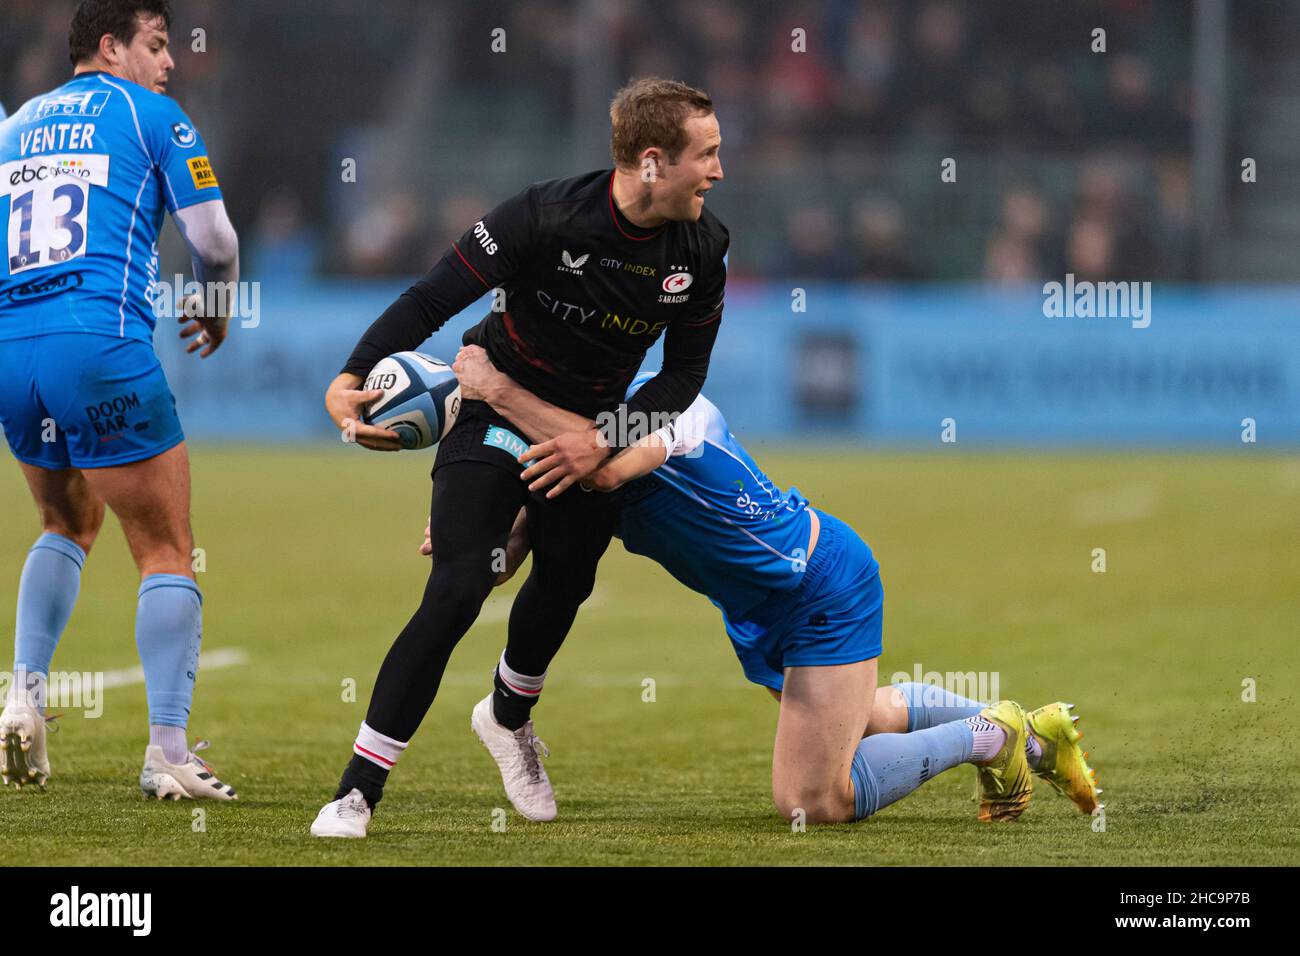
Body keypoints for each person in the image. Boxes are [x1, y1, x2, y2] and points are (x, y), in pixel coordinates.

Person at [311, 77, 729, 838]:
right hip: (490, 409)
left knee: (567, 576)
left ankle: (508, 718)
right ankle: (357, 791)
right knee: (461, 582)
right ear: (650, 162)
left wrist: (600, 436)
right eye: (706, 155)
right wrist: (349, 375)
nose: (718, 171)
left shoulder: (703, 249)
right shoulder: (542, 215)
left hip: (587, 429)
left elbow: (683, 376)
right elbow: (432, 299)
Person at [443, 345, 1104, 825]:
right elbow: (526, 536)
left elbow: (606, 472)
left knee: (812, 802)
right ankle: (1043, 739)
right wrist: (473, 539)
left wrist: (496, 391)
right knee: (865, 716)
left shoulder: (665, 408)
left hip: (821, 586)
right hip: (759, 609)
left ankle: (993, 735)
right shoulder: (579, 430)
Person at [0, 0, 240, 800]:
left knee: (66, 521)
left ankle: (22, 697)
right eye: (158, 44)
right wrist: (217, 302)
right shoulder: (153, 114)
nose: (170, 62)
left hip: (11, 352)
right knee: (166, 547)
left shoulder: (19, 123)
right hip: (97, 344)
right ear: (111, 47)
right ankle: (168, 752)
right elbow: (215, 242)